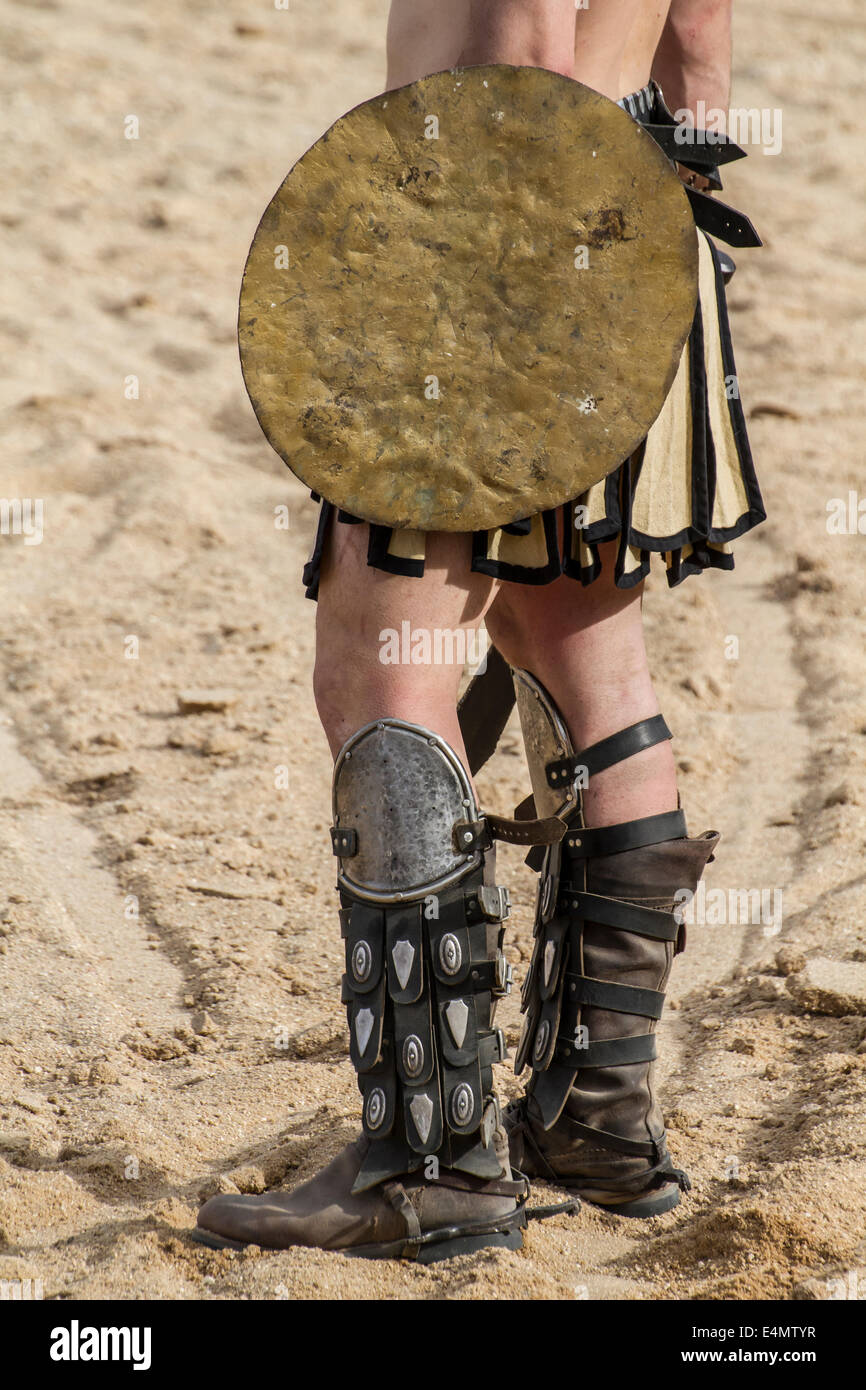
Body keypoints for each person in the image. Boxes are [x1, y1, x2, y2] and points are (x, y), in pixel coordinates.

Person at [195, 0, 765, 1259]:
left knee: (382, 680)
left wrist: (483, 287)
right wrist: (649, 216)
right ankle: (594, 1128)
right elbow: (701, 45)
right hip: (628, 197)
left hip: (494, 210)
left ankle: (429, 1166)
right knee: (583, 660)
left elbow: (518, 51)